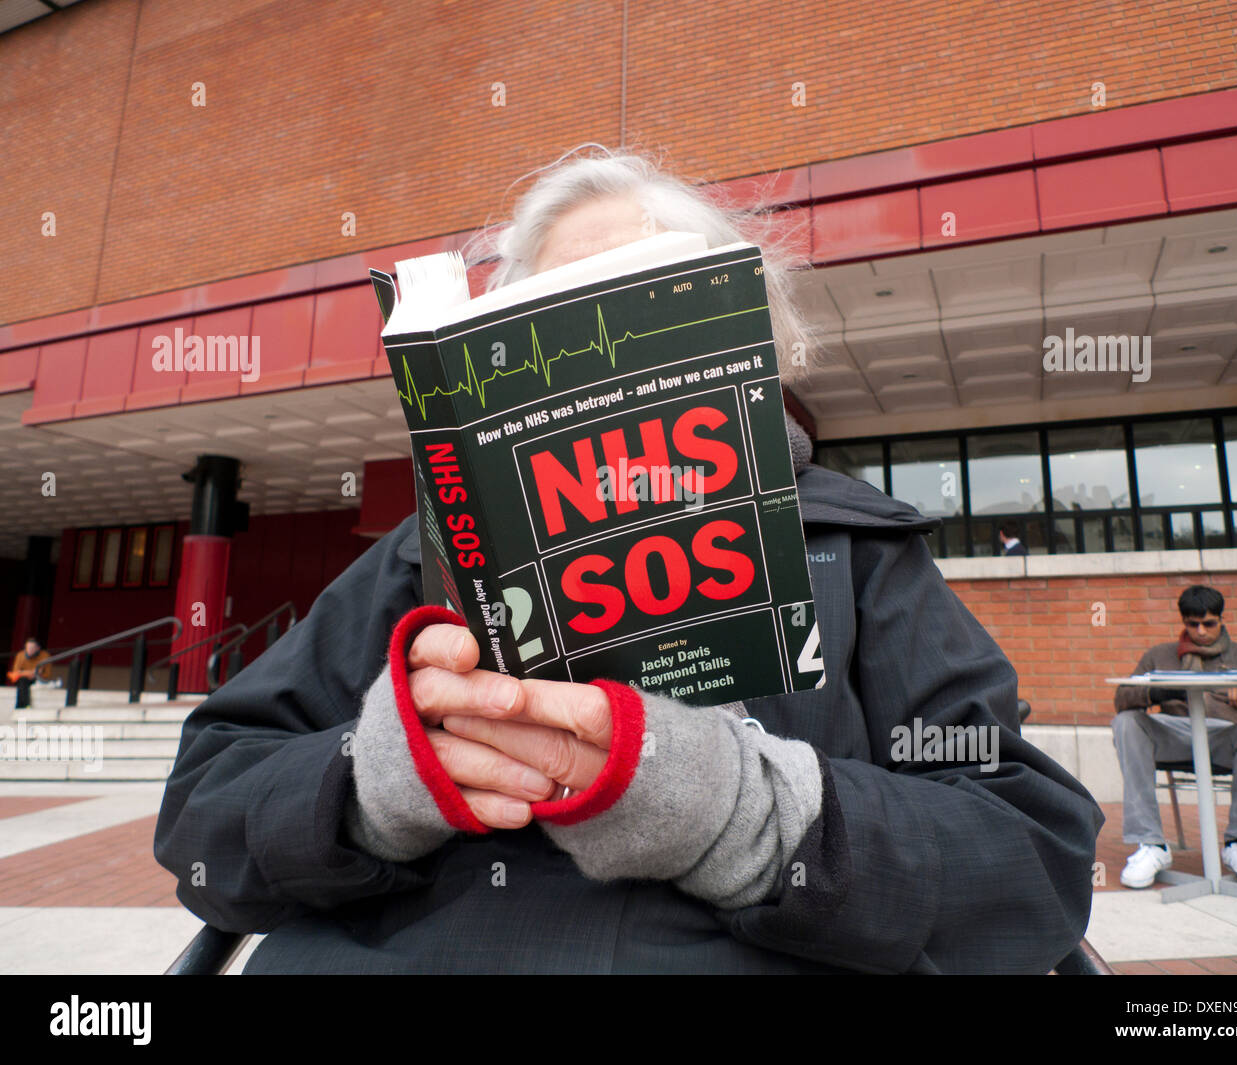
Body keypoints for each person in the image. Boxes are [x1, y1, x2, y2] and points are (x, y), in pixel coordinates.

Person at [154, 145, 1104, 974]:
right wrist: (375, 783)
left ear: (749, 338)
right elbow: (205, 809)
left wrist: (747, 813)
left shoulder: (855, 548)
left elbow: (1028, 859)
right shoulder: (425, 556)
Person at [1112, 584, 1237, 889]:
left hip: (1227, 737)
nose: (1200, 631)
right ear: (1183, 622)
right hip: (1174, 734)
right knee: (1126, 722)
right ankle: (1151, 845)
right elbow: (1122, 697)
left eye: (1208, 623)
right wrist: (1160, 690)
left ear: (1221, 620)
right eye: (1192, 624)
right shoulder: (1160, 655)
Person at [7, 637, 51, 710]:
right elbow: (16, 672)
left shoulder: (44, 655)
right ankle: (24, 707)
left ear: (38, 648)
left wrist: (23, 672)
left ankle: (20, 707)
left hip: (39, 679)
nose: (29, 650)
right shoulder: (20, 655)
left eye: (32, 648)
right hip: (23, 680)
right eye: (27, 648)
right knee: (22, 681)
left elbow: (43, 673)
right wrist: (31, 672)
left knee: (22, 682)